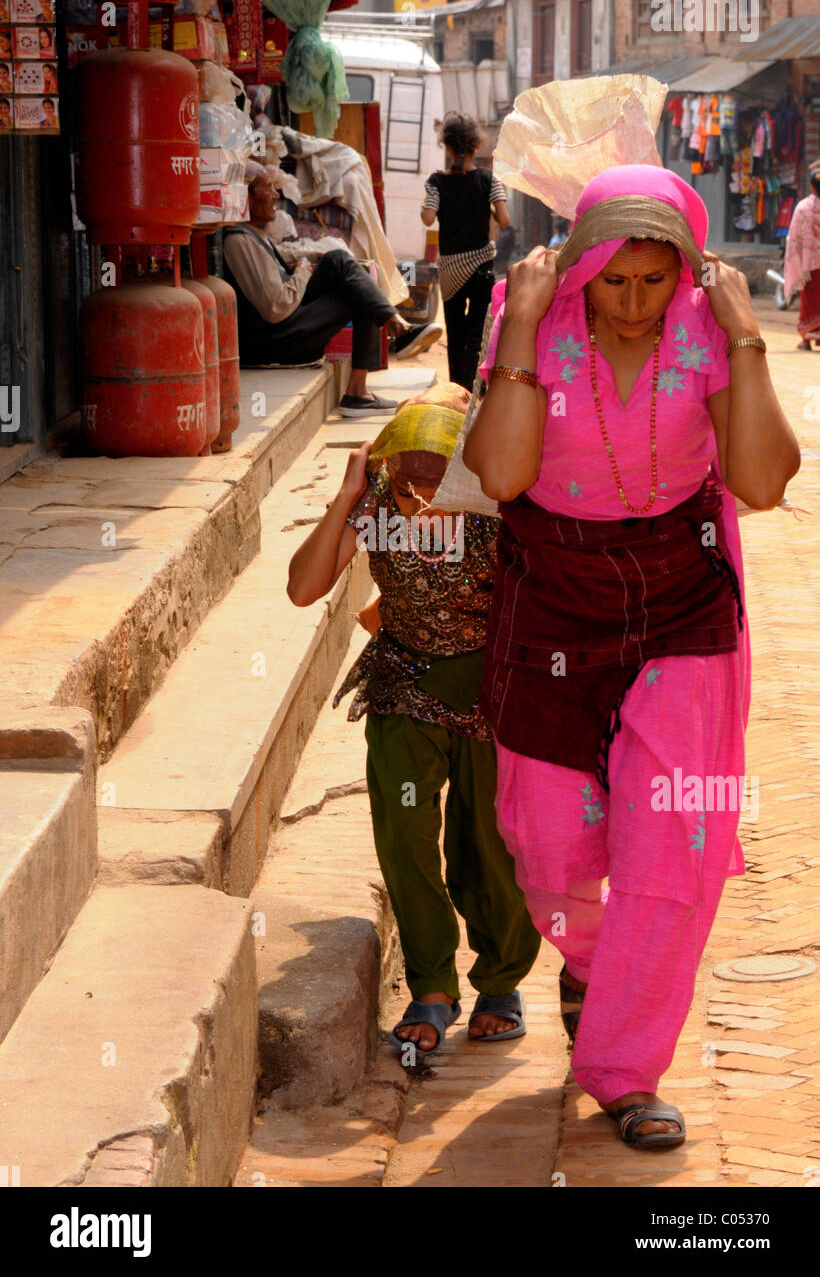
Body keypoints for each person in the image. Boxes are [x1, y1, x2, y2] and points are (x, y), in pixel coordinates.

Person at [463, 164, 800, 1148]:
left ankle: (622, 1068)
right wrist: (520, 331)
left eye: (655, 281)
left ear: (685, 273)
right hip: (553, 596)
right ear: (581, 271)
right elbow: (501, 471)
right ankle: (593, 969)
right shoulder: (531, 317)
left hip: (679, 600)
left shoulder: (706, 328)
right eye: (614, 281)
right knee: (546, 840)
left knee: (674, 841)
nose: (633, 305)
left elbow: (763, 483)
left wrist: (746, 341)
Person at [287, 393, 541, 1054]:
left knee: (491, 841)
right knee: (404, 832)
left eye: (440, 489)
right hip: (403, 686)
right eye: (411, 490)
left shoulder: (496, 504)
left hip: (492, 693)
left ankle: (500, 979)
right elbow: (303, 587)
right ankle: (432, 984)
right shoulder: (373, 502)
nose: (425, 508)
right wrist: (346, 499)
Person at [223, 171, 442, 418]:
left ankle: (389, 335)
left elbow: (282, 274)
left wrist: (307, 261)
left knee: (342, 265)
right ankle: (386, 347)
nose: (276, 195)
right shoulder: (239, 241)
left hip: (284, 330)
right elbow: (277, 308)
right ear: (247, 200)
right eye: (269, 188)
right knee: (357, 291)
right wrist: (303, 271)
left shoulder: (256, 236)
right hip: (275, 343)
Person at [421, 112, 510, 389]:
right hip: (481, 266)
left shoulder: (437, 182)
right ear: (475, 146)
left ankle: (455, 388)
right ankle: (474, 387)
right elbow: (505, 220)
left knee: (456, 333)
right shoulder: (488, 180)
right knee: (477, 333)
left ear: (446, 147)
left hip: (450, 270)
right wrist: (489, 208)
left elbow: (427, 217)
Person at [784, 169, 820, 350]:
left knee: (809, 302)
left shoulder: (803, 208)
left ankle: (807, 339)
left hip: (809, 265)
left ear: (811, 186)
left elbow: (794, 237)